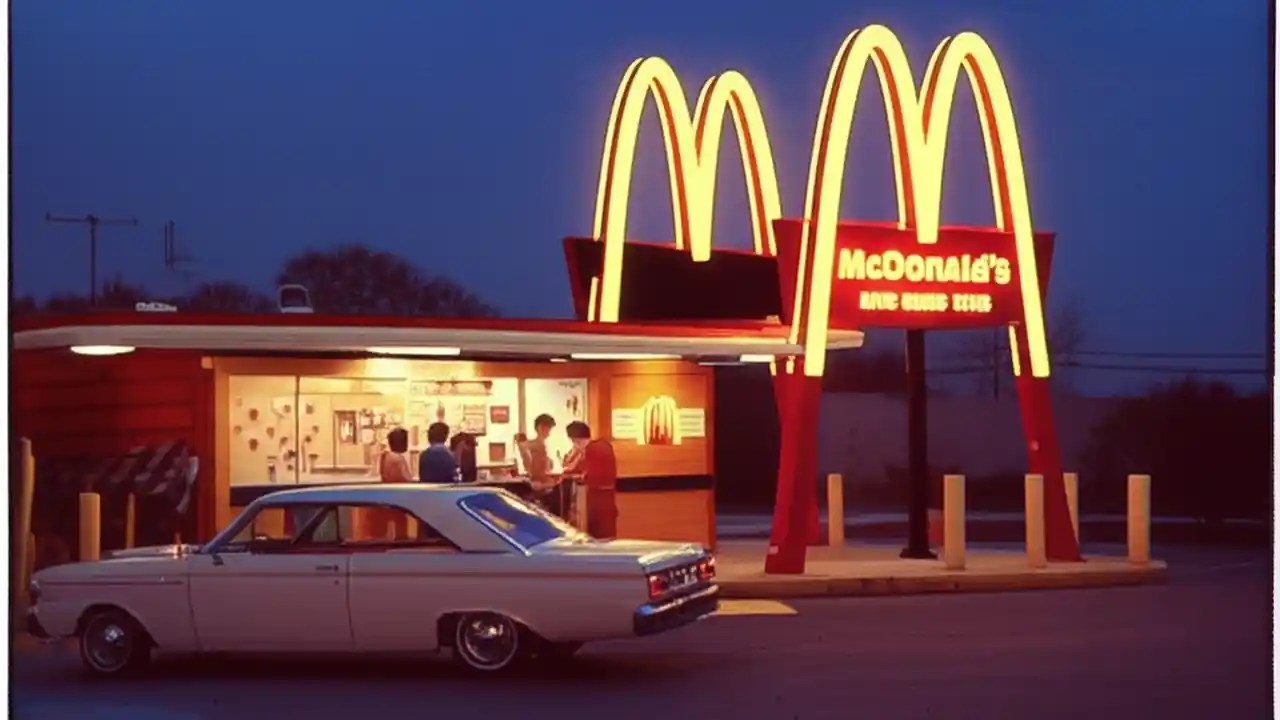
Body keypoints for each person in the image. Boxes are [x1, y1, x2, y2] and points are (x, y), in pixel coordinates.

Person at [565, 421, 617, 539]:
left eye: (573, 441)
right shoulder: (604, 445)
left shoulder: (592, 450)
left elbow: (589, 475)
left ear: (576, 439)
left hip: (597, 498)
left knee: (598, 534)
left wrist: (576, 455)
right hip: (607, 497)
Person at [371, 428, 413, 538]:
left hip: (388, 496)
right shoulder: (397, 459)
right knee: (400, 525)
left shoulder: (385, 456)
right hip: (398, 498)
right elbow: (405, 478)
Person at [526, 414, 561, 514]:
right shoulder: (539, 446)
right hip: (538, 485)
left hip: (536, 483)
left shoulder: (532, 444)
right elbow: (537, 471)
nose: (549, 433)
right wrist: (551, 481)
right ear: (540, 428)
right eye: (548, 429)